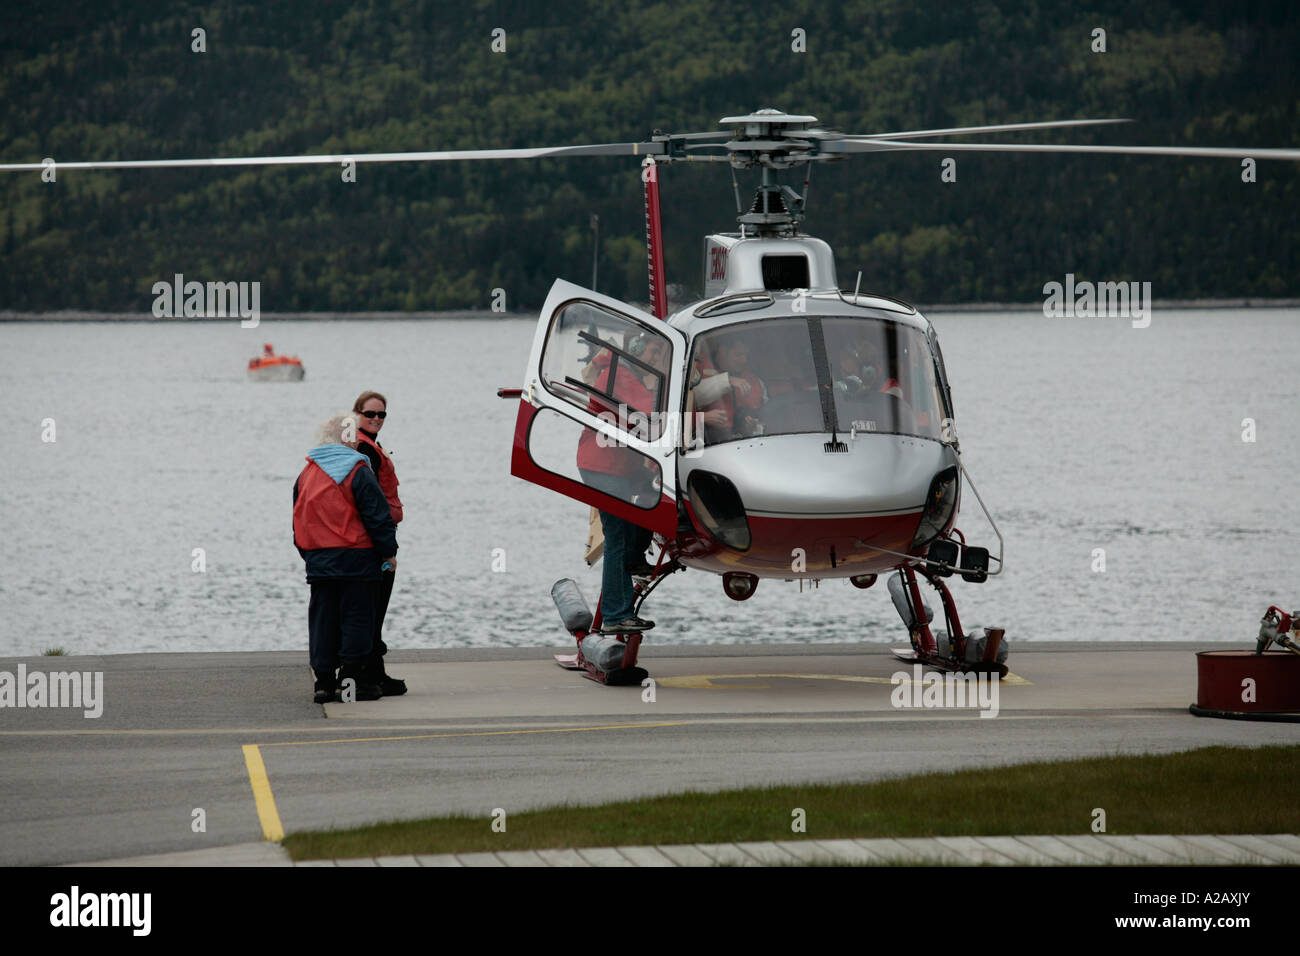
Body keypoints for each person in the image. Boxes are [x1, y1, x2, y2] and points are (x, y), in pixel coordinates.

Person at [293, 413, 398, 703]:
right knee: (356, 621)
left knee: (323, 621)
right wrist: (388, 553)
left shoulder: (307, 473)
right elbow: (377, 517)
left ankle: (323, 684)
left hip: (320, 560)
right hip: (357, 560)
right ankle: (349, 685)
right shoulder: (358, 470)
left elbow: (298, 519)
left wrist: (310, 555)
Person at [575, 332, 668, 632]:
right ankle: (616, 615)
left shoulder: (627, 374)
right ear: (637, 350)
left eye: (660, 354)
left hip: (619, 468)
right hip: (603, 468)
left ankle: (635, 557)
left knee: (651, 497)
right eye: (653, 351)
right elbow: (652, 414)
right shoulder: (621, 374)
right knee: (616, 537)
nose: (656, 358)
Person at [352, 390, 406, 696]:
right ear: (357, 413)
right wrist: (386, 550)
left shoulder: (370, 445)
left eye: (381, 415)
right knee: (373, 608)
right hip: (375, 540)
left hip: (378, 535)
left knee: (373, 609)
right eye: (370, 414)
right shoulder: (365, 450)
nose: (376, 419)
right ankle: (370, 675)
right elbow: (369, 504)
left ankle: (373, 672)